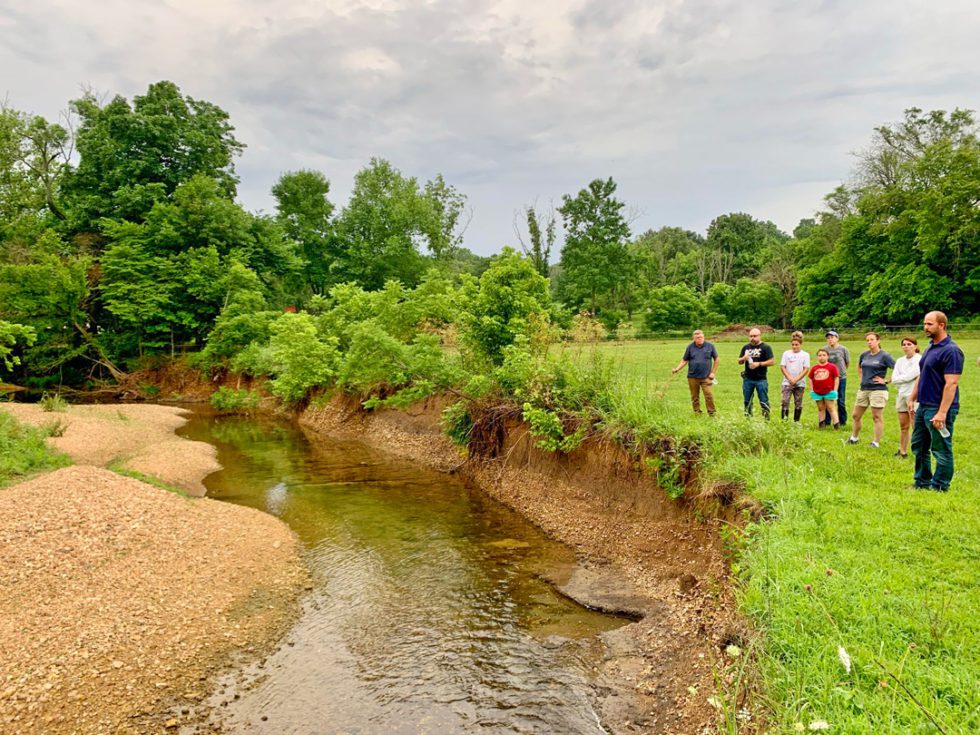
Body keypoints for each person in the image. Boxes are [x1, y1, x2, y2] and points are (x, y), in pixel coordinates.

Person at [909, 312, 964, 491]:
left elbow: (951, 383)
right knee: (919, 445)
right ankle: (922, 481)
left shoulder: (952, 351)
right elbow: (922, 374)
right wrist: (912, 397)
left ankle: (940, 485)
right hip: (923, 405)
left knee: (940, 448)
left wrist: (942, 412)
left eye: (930, 324)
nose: (925, 327)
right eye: (924, 324)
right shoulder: (930, 347)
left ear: (942, 325)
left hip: (938, 408)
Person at [846, 332, 896, 448]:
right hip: (864, 389)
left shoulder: (885, 356)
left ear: (878, 341)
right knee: (855, 415)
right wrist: (862, 378)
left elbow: (898, 368)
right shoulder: (864, 355)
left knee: (876, 416)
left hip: (878, 390)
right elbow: (860, 366)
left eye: (872, 339)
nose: (869, 342)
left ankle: (875, 442)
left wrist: (887, 380)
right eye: (867, 340)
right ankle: (854, 438)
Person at [672, 329, 719, 416]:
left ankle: (712, 413)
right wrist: (677, 369)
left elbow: (716, 359)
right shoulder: (690, 347)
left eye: (701, 337)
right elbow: (684, 360)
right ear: (694, 338)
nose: (699, 339)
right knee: (694, 396)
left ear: (703, 337)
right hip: (693, 377)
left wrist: (713, 372)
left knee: (709, 395)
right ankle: (697, 412)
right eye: (697, 338)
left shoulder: (710, 346)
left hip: (706, 377)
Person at [891, 336, 921, 458]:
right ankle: (902, 451)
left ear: (915, 346)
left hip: (913, 395)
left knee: (916, 425)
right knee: (903, 426)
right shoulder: (900, 361)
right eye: (904, 344)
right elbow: (893, 379)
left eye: (909, 344)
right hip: (901, 394)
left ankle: (919, 452)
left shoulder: (919, 359)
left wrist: (900, 378)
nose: (906, 346)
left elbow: (912, 375)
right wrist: (901, 379)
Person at [737, 328, 775, 418]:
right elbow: (739, 361)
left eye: (755, 336)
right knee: (747, 400)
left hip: (761, 379)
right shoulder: (746, 347)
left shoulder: (765, 347)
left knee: (763, 401)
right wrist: (743, 358)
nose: (752, 338)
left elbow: (772, 361)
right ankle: (748, 419)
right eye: (750, 336)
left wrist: (759, 364)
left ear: (759, 336)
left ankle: (766, 420)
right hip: (748, 379)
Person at [821, 331, 851, 427]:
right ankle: (827, 421)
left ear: (837, 338)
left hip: (841, 378)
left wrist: (839, 373)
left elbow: (847, 363)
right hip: (828, 379)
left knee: (841, 400)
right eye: (828, 338)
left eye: (832, 337)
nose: (830, 339)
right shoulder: (825, 349)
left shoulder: (843, 349)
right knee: (828, 400)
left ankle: (842, 421)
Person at [779, 337, 810, 421]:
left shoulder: (805, 355)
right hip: (787, 382)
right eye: (792, 344)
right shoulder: (786, 353)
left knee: (798, 402)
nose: (794, 346)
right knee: (785, 401)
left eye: (796, 345)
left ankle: (796, 421)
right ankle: (784, 421)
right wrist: (789, 378)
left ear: (800, 344)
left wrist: (796, 379)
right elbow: (782, 366)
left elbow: (806, 369)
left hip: (800, 383)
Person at [808, 348, 840, 428]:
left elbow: (836, 378)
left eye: (824, 355)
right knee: (820, 408)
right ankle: (821, 424)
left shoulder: (832, 367)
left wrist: (835, 390)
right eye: (819, 355)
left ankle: (836, 424)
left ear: (827, 356)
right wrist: (812, 389)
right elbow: (810, 378)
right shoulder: (814, 368)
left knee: (831, 407)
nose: (822, 357)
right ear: (817, 357)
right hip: (817, 391)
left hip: (829, 391)